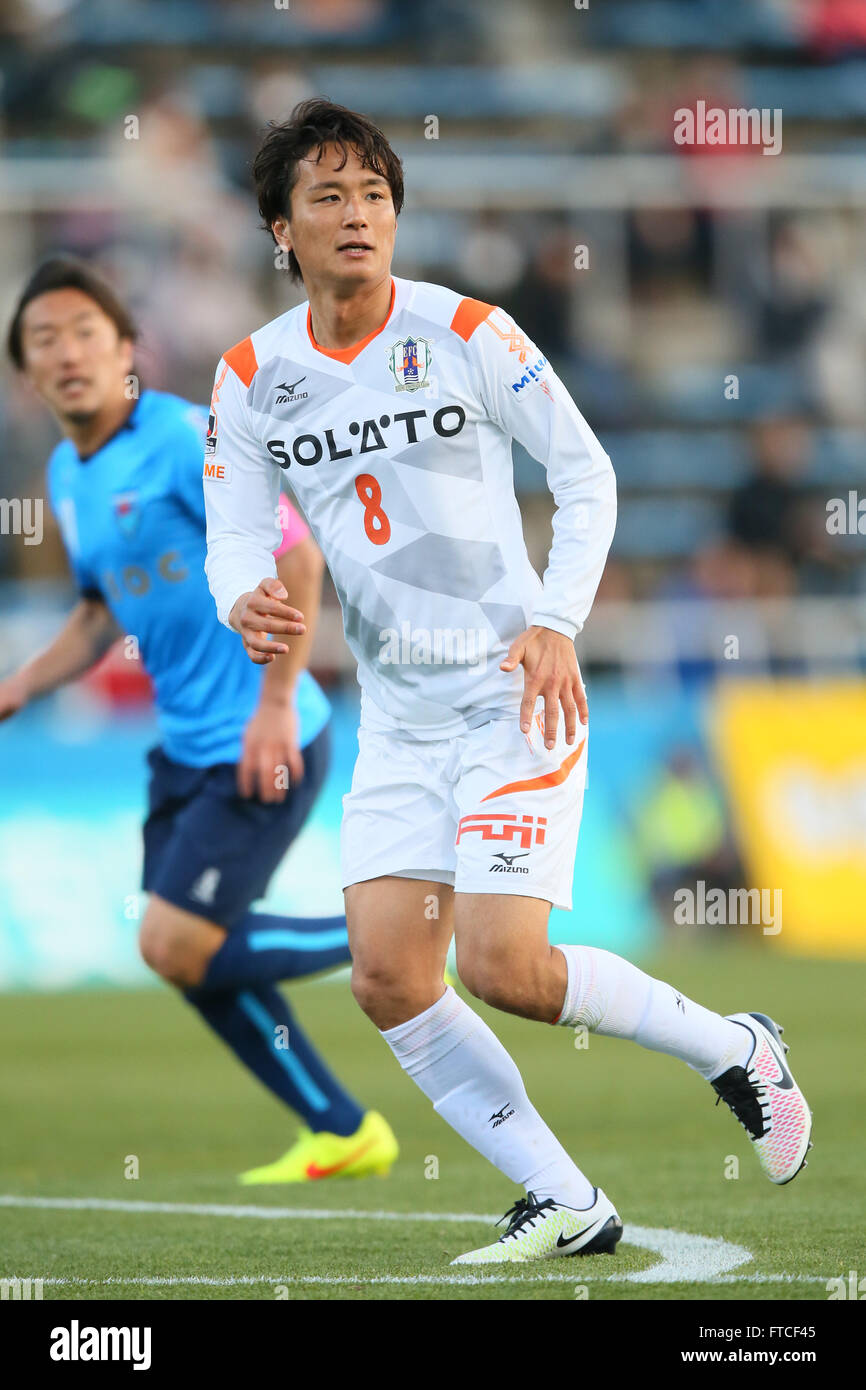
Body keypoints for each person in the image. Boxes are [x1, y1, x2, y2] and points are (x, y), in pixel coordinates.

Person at [203, 99, 812, 1263]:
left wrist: (555, 622)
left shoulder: (469, 329)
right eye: (326, 197)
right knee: (386, 975)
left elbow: (585, 475)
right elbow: (237, 529)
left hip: (510, 692)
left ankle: (736, 1046)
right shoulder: (249, 376)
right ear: (281, 229)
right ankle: (567, 1200)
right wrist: (241, 594)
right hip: (398, 719)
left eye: (373, 194)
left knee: (504, 969)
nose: (356, 215)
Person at [0, 256, 398, 1185]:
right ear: (25, 372)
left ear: (127, 348)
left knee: (173, 942)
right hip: (185, 749)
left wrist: (268, 706)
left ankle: (401, 937)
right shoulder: (68, 472)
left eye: (85, 334)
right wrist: (21, 685)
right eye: (43, 341)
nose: (67, 355)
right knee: (190, 959)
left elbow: (296, 563)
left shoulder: (185, 438)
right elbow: (101, 611)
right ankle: (342, 1128)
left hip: (268, 733)